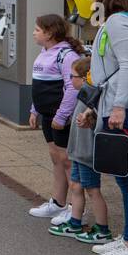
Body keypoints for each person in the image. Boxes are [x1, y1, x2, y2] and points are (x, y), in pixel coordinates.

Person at [79, 0, 128, 255]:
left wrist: (118, 107)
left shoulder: (118, 23)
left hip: (127, 109)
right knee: (125, 175)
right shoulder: (124, 22)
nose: (93, 0)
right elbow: (114, 70)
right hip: (123, 106)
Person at [26, 14, 82, 221]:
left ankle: (76, 209)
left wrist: (62, 116)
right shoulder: (44, 52)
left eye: (37, 30)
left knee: (67, 161)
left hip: (61, 119)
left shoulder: (66, 56)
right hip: (48, 116)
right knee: (56, 158)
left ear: (49, 33)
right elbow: (39, 85)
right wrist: (35, 110)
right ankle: (58, 203)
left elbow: (72, 89)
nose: (34, 33)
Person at [53, 55, 113, 244]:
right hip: (78, 152)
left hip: (87, 153)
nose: (70, 80)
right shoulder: (83, 94)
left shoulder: (92, 96)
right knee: (76, 186)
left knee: (92, 189)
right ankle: (75, 222)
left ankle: (103, 229)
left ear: (86, 77)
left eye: (73, 76)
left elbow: (97, 120)